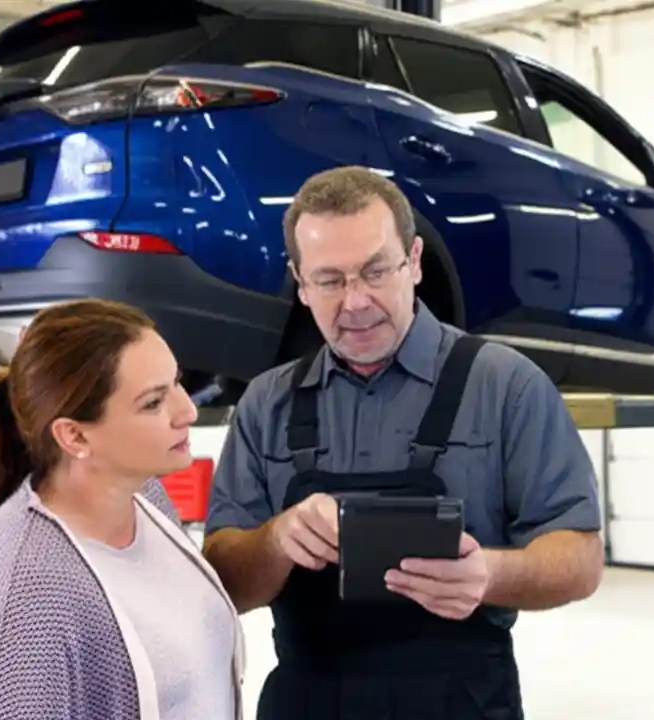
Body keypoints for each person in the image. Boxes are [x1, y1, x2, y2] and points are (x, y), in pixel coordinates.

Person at [202, 166, 605, 719]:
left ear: (413, 262)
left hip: (460, 702)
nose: (356, 301)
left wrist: (489, 574)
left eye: (375, 271)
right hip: (308, 702)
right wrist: (276, 540)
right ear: (300, 282)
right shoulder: (265, 404)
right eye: (330, 280)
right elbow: (221, 578)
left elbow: (580, 559)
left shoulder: (506, 386)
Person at [0, 299, 245, 720]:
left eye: (177, 383)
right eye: (153, 403)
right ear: (75, 436)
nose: (187, 410)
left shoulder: (147, 500)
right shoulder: (27, 604)